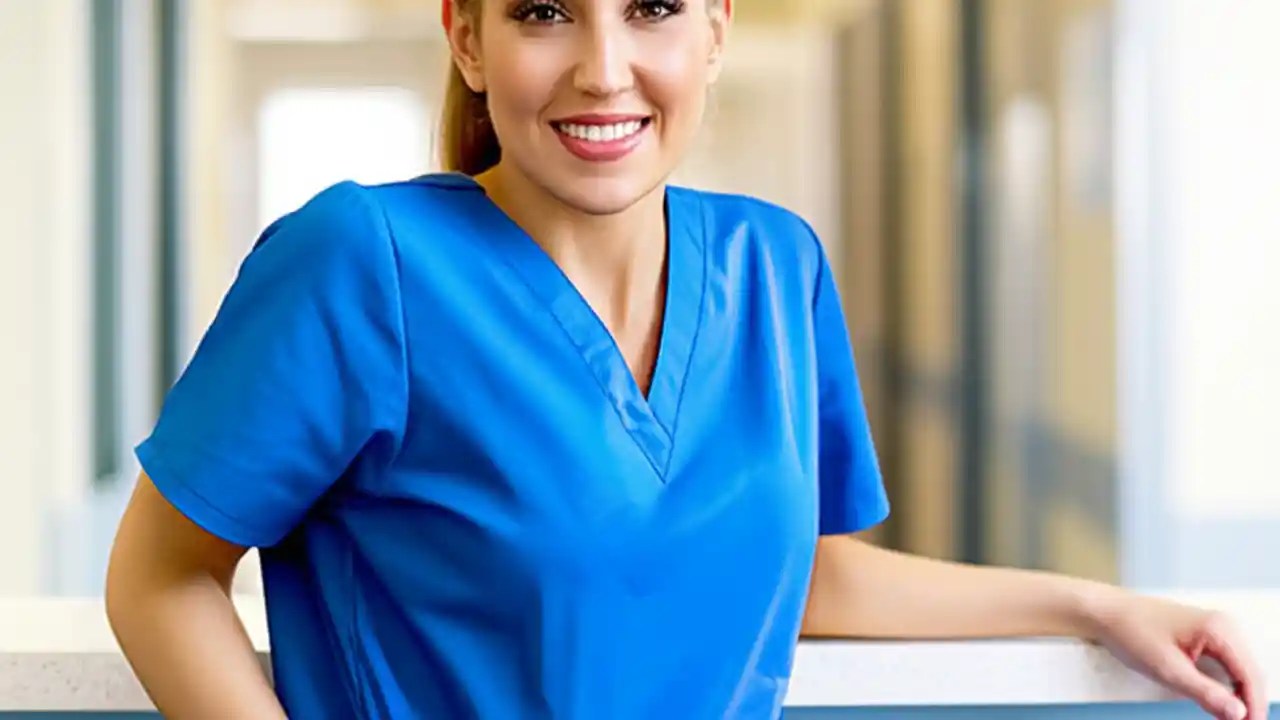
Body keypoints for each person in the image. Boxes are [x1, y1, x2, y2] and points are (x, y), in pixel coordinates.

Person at [104, 0, 1267, 718]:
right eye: (545, 10)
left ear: (715, 27)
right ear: (465, 34)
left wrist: (1095, 606)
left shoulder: (775, 268)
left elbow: (801, 578)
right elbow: (159, 577)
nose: (603, 69)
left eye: (651, 6)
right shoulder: (362, 263)